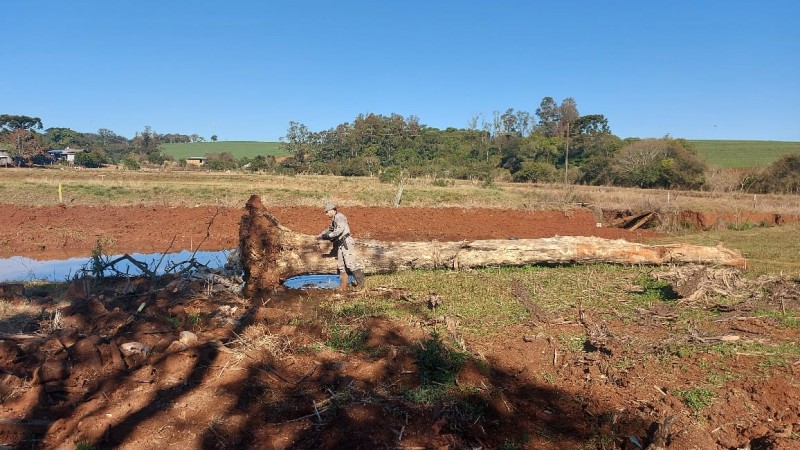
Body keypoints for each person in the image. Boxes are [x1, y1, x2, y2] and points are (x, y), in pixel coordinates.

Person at [316, 202, 365, 290]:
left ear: (332, 210)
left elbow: (339, 230)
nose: (326, 214)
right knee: (341, 266)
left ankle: (360, 284)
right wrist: (320, 235)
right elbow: (329, 229)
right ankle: (343, 286)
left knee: (350, 264)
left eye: (327, 212)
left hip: (346, 242)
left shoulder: (340, 217)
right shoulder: (334, 219)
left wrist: (328, 236)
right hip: (340, 244)